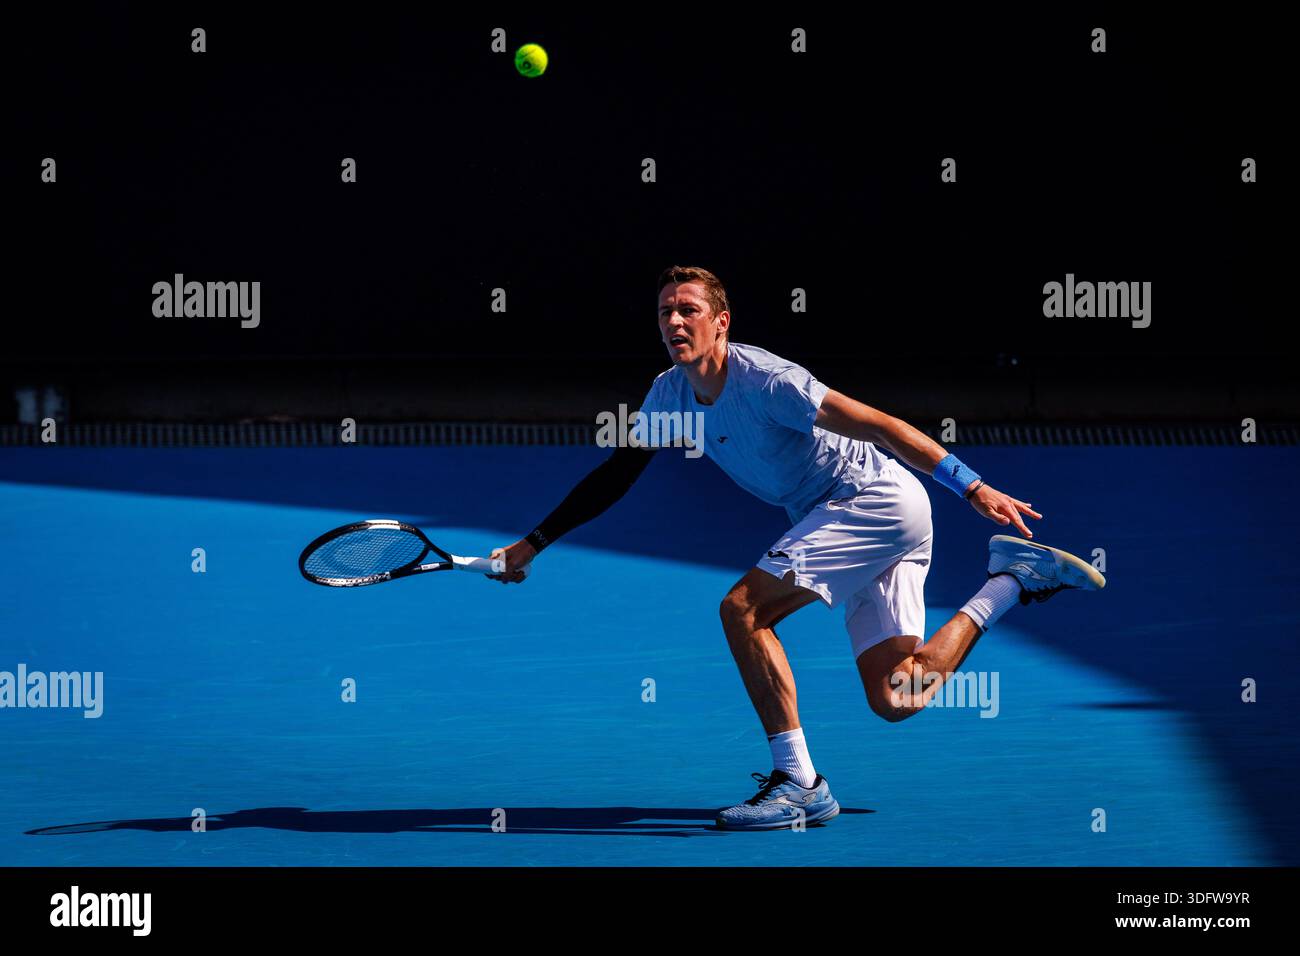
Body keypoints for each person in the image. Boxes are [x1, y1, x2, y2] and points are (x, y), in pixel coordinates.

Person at [489, 265, 1105, 831]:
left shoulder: (769, 381)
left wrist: (970, 486)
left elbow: (877, 425)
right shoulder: (670, 396)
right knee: (898, 696)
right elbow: (618, 472)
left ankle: (798, 781)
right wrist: (535, 543)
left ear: (721, 322)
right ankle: (1011, 581)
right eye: (664, 313)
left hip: (872, 501)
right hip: (865, 518)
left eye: (688, 311)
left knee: (743, 610)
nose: (674, 322)